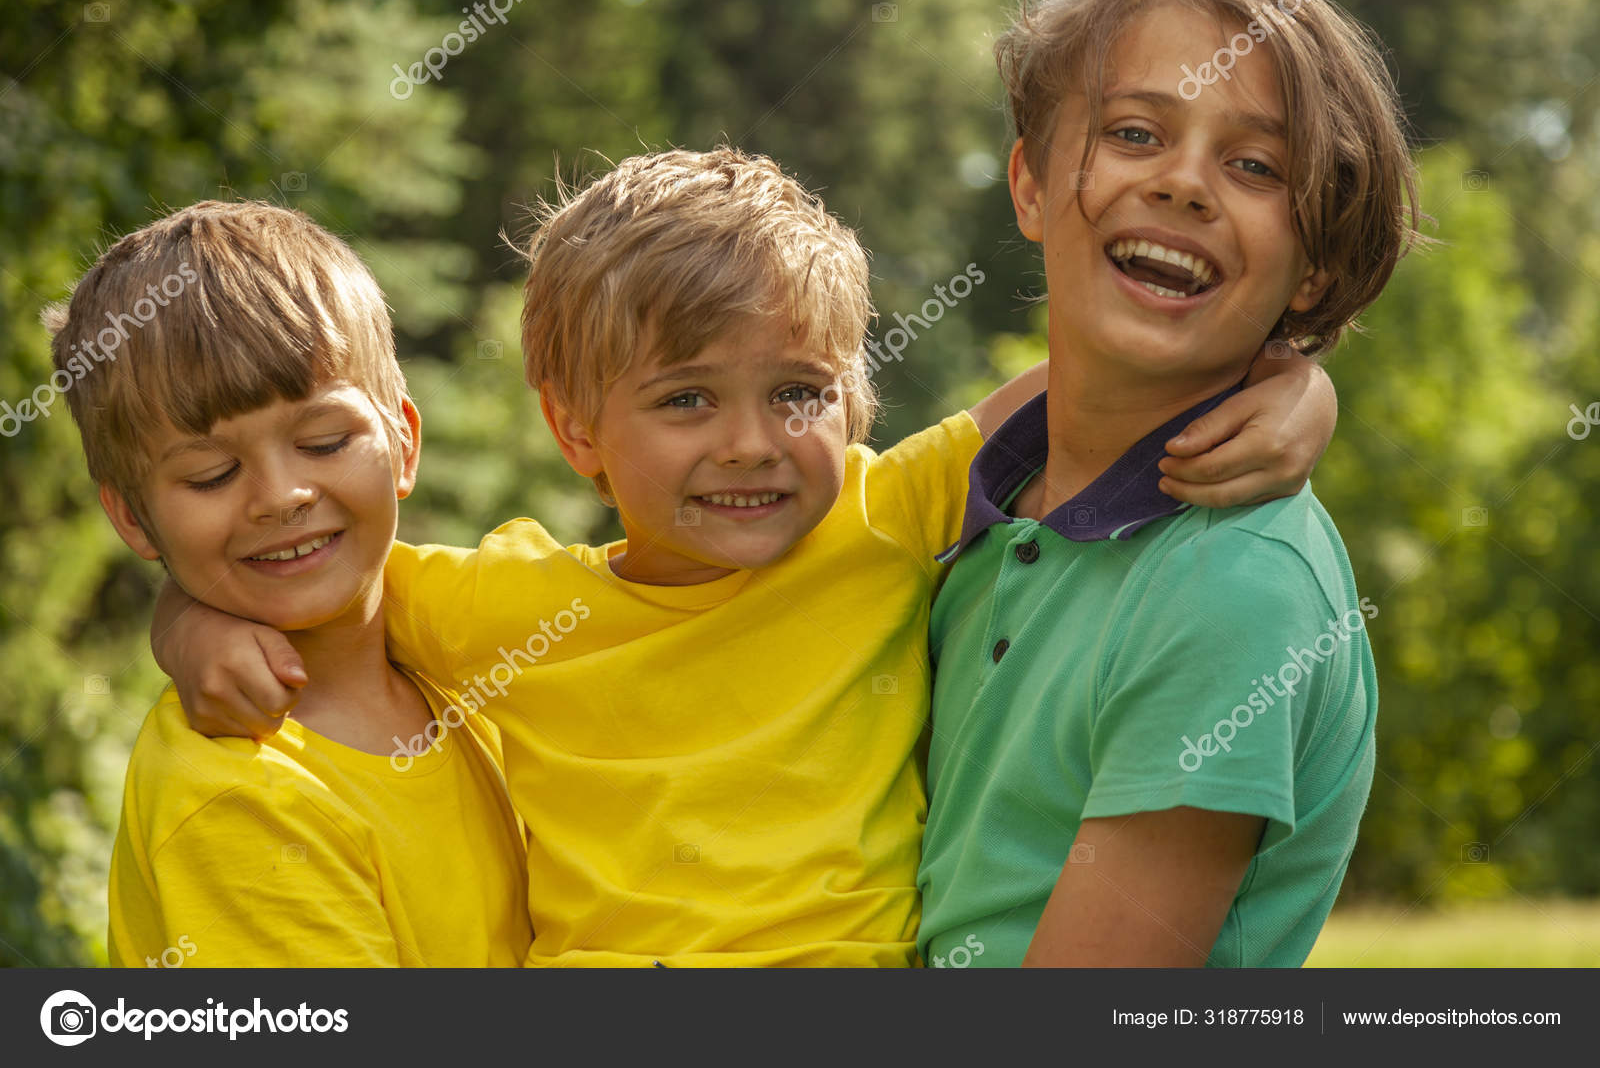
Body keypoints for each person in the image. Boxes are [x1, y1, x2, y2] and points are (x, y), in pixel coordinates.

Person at [155, 148, 1337, 966]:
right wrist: (191, 626)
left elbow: (1108, 387)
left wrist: (1291, 380)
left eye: (796, 392)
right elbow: (318, 574)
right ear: (575, 429)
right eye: (683, 400)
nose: (750, 445)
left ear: (854, 400)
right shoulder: (507, 605)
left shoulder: (878, 520)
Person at [916, 0, 1421, 968]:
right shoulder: (974, 501)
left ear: (1314, 270)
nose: (1183, 183)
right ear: (1028, 186)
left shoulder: (1230, 586)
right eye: (1135, 133)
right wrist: (1297, 380)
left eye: (1252, 165)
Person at [45, 201, 531, 966]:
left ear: (403, 440)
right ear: (132, 518)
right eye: (212, 474)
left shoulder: (472, 647)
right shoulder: (237, 797)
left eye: (324, 440)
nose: (281, 495)